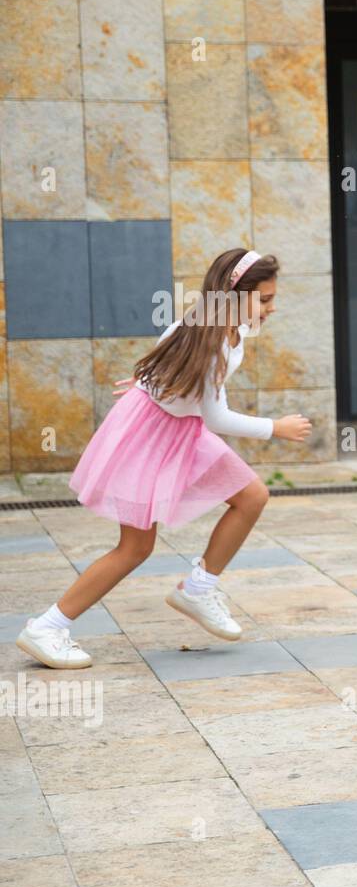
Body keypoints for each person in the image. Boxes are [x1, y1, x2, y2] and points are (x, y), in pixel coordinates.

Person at [15, 249, 312, 670]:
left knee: (252, 496)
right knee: (135, 548)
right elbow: (215, 415)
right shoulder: (209, 340)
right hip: (151, 441)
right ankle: (47, 627)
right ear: (233, 295)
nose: (272, 307)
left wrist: (148, 382)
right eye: (263, 299)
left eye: (272, 299)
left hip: (182, 433)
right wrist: (274, 427)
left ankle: (198, 588)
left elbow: (173, 360)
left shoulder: (226, 333)